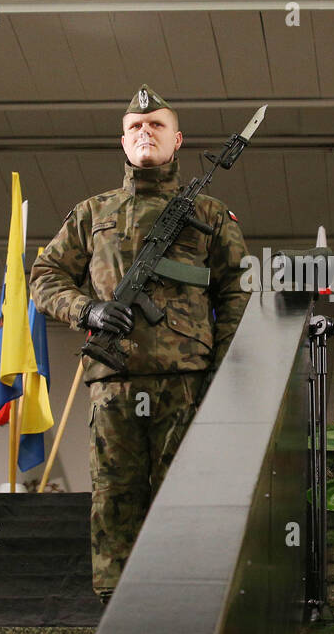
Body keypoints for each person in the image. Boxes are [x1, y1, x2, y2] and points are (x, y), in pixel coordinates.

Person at [30, 85, 249, 601]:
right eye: (134, 127)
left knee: (187, 495)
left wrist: (222, 370)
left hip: (186, 380)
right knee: (115, 497)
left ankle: (186, 601)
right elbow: (44, 276)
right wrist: (89, 310)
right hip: (115, 379)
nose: (144, 132)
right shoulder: (92, 213)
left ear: (178, 139)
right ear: (122, 142)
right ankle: (117, 605)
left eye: (156, 125)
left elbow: (237, 291)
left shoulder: (210, 213)